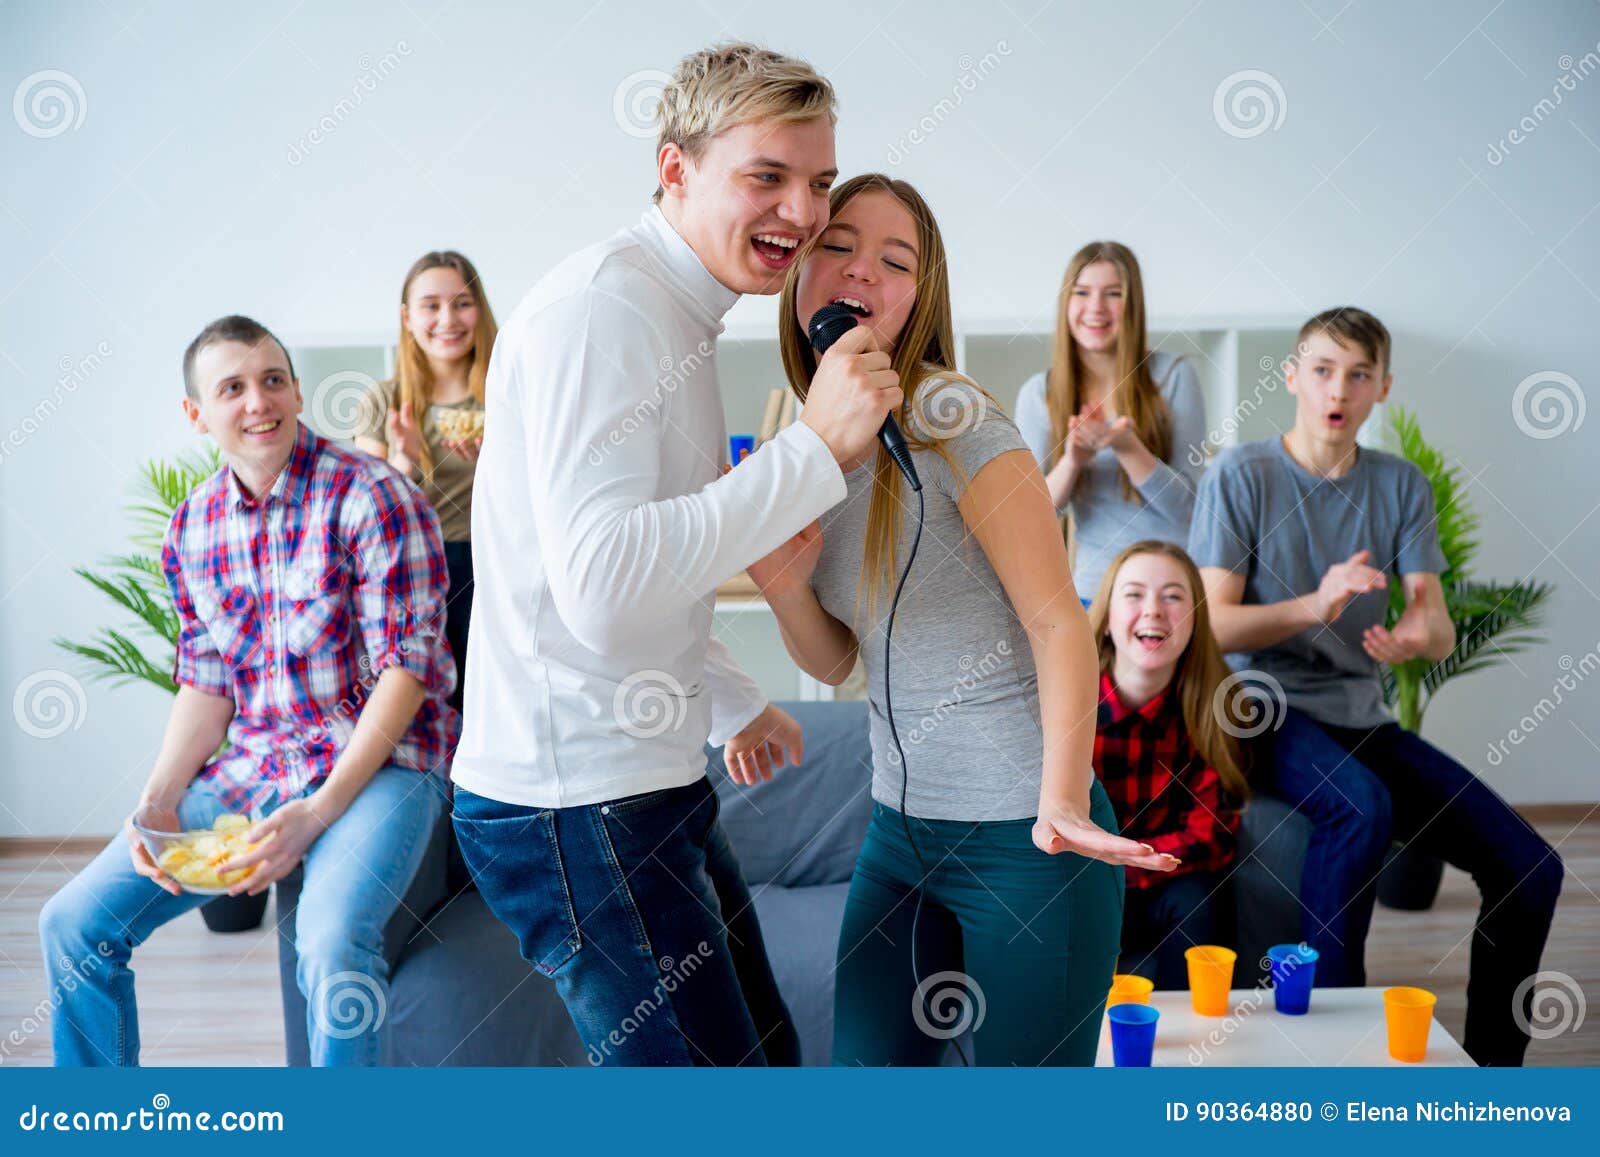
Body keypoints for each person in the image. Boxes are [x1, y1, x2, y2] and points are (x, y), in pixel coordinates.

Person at [449, 43, 900, 1066]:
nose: (801, 209)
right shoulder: (604, 313)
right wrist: (812, 450)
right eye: (765, 177)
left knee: (763, 1062)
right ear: (675, 168)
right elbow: (604, 586)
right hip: (575, 805)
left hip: (641, 779)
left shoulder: (675, 313)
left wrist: (733, 699)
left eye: (817, 181)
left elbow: (645, 555)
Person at [749, 174, 1175, 1067]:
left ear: (917, 299)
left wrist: (1060, 797)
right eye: (839, 245)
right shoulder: (798, 434)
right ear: (799, 270)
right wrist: (787, 587)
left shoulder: (954, 417)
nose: (861, 270)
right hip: (897, 833)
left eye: (894, 261)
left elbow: (1060, 622)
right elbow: (838, 662)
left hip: (1026, 839)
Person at [38, 315, 458, 1066]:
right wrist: (159, 797)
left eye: (272, 379)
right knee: (71, 923)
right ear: (198, 414)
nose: (258, 400)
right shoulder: (191, 526)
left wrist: (319, 811)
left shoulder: (374, 497)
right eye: (232, 387)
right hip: (256, 767)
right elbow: (206, 680)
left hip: (382, 767)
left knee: (332, 944)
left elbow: (407, 673)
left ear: (298, 390)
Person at [1188, 306, 1564, 1066]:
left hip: (1360, 713)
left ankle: (1495, 1079)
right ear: (1293, 376)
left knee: (1531, 867)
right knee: (1361, 808)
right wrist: (1313, 606)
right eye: (1324, 369)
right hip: (1257, 705)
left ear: (1382, 387)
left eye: (1360, 374)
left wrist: (1417, 634)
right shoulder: (1242, 474)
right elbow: (1214, 627)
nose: (1340, 388)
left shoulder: (1400, 484)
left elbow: (1436, 622)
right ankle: (1331, 1054)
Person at [1087, 540, 1249, 989]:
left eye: (1174, 596)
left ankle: (1191, 1044)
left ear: (1195, 622)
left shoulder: (1213, 710)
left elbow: (1210, 834)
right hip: (1082, 884)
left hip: (1165, 885)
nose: (1154, 610)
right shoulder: (1069, 707)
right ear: (1106, 620)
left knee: (1199, 900)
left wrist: (1127, 860)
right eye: (1134, 594)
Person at [1014, 241, 1206, 599]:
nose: (1096, 308)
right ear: (1066, 304)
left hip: (1171, 589)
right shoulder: (1038, 394)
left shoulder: (1175, 376)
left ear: (1133, 305)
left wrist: (1127, 446)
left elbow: (1187, 508)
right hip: (1094, 592)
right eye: (1082, 292)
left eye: (1113, 294)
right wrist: (1073, 461)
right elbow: (1030, 515)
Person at [356, 250, 497, 712]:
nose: (447, 319)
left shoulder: (509, 391)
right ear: (408, 318)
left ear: (480, 309)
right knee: (433, 701)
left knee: (493, 695)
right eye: (431, 306)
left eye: (461, 303)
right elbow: (371, 516)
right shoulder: (385, 400)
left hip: (498, 559)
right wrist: (405, 462)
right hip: (416, 568)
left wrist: (498, 463)